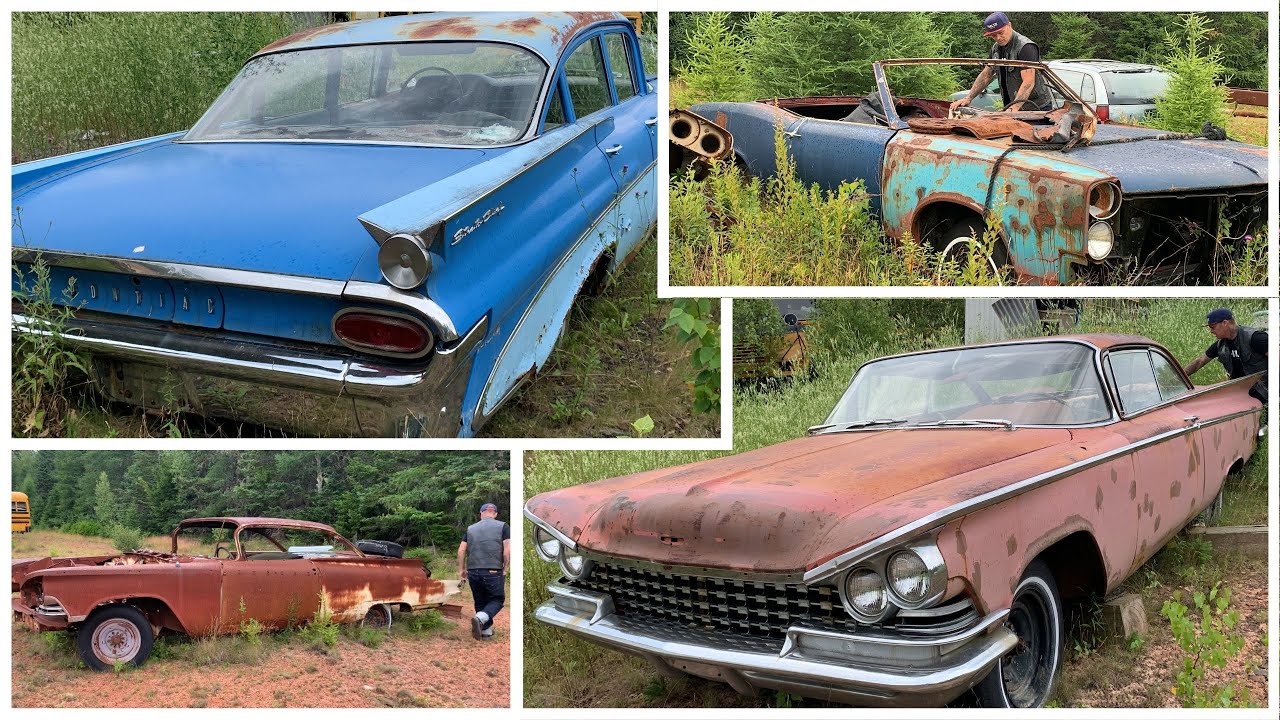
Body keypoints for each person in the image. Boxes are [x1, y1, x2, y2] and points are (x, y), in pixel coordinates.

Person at [949, 12, 1053, 114]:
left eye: (1001, 32)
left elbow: (1028, 81)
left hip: (1037, 108)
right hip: (1011, 108)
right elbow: (986, 74)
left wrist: (1015, 107)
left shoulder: (1026, 47)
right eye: (993, 35)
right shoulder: (996, 49)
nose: (998, 38)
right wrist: (968, 98)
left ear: (1009, 25)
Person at [1182, 308, 1268, 404]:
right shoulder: (1220, 345)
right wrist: (1178, 378)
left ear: (1225, 323)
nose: (1211, 331)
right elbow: (1199, 362)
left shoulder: (1255, 338)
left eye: (1212, 327)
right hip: (1241, 392)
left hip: (1264, 391)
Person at [457, 502, 510, 640]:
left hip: (473, 571)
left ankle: (486, 632)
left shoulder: (470, 529)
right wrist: (505, 568)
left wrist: (462, 569)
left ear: (481, 514)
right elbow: (507, 550)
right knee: (497, 599)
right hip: (493, 570)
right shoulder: (503, 526)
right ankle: (480, 619)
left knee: (480, 601)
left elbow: (462, 550)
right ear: (495, 514)